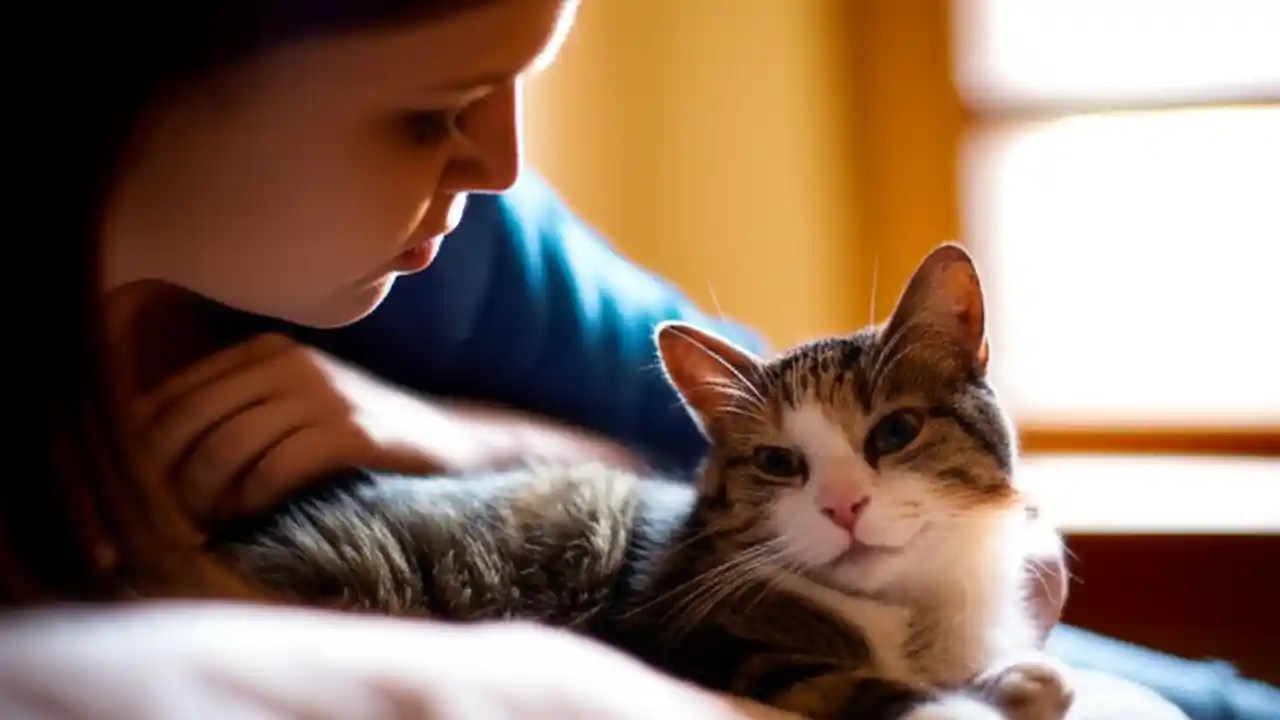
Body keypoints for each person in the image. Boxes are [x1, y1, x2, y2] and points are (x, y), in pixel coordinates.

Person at [1, 1, 1272, 718]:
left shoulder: (464, 253)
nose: (500, 167)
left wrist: (474, 440)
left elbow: (764, 432)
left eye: (519, 89)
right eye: (431, 108)